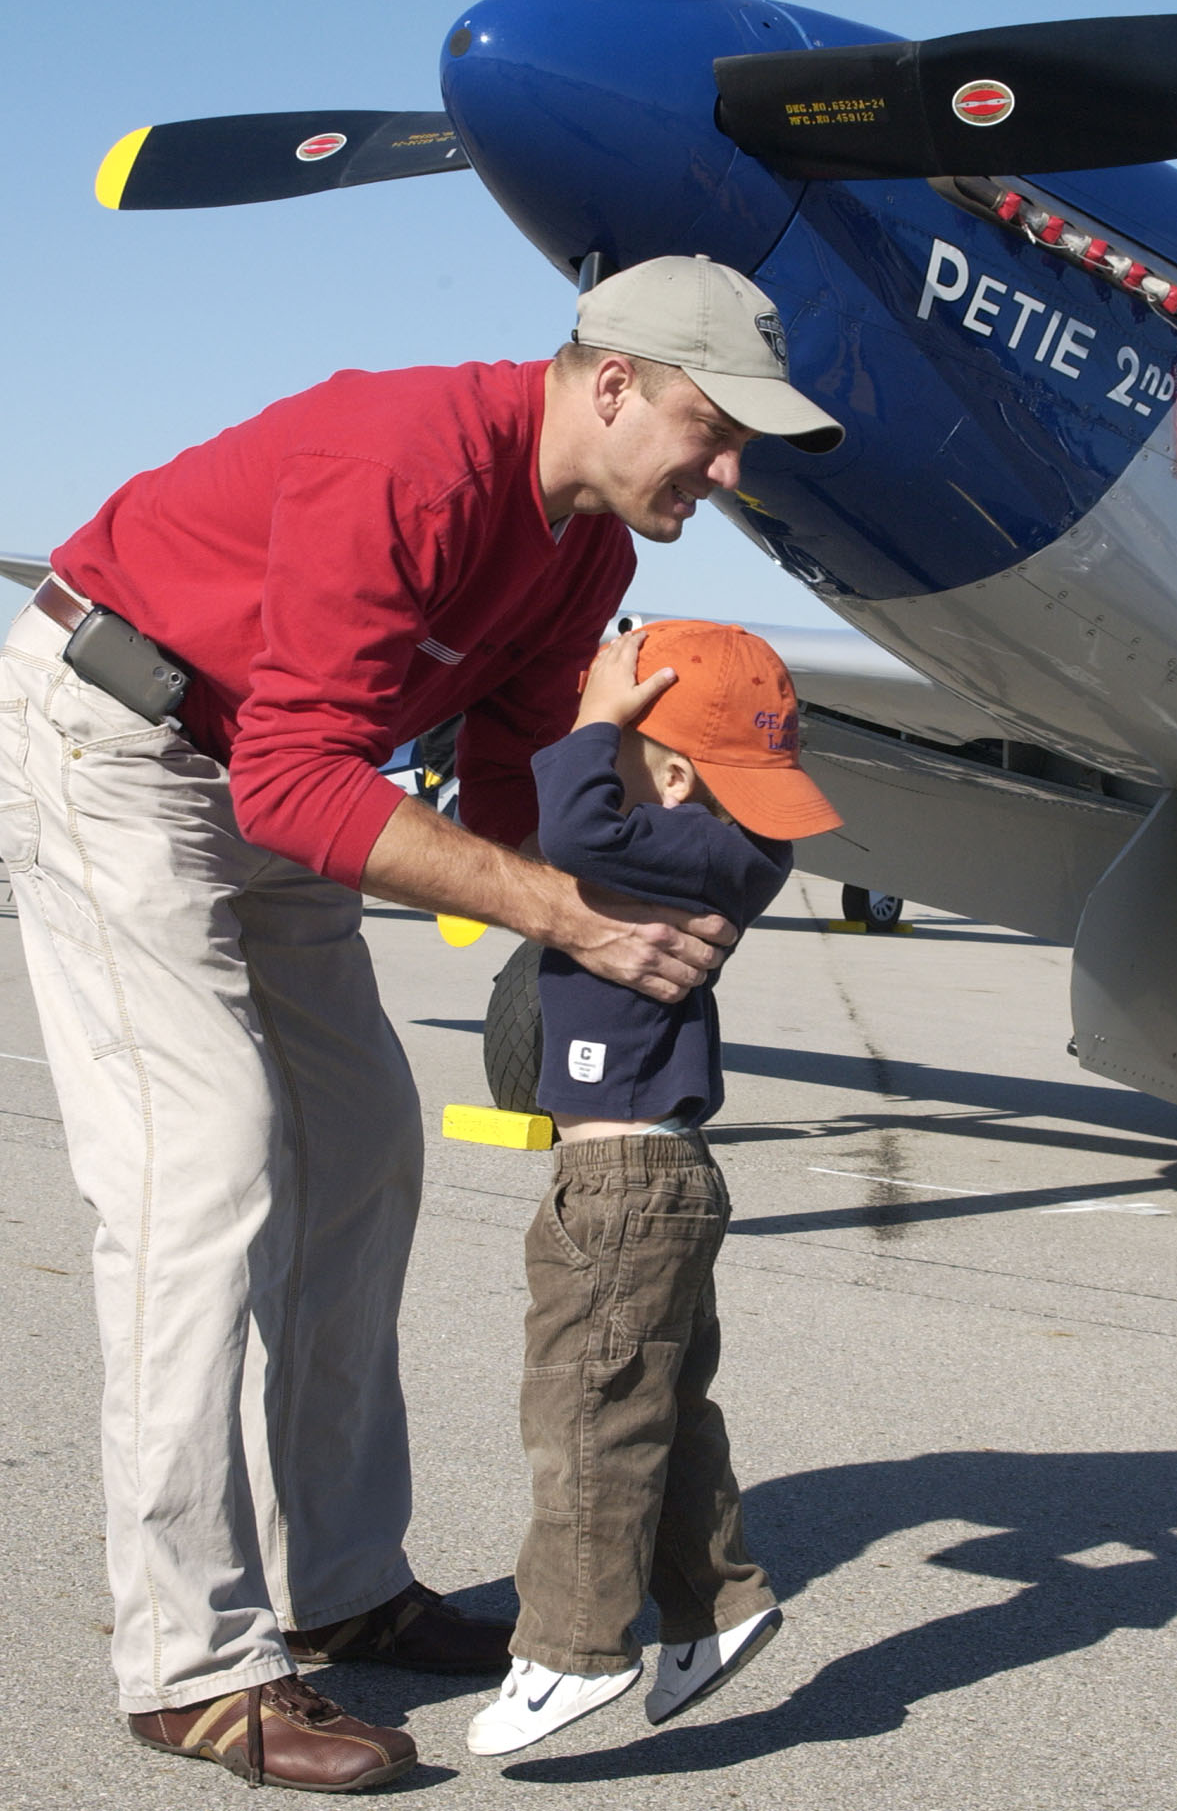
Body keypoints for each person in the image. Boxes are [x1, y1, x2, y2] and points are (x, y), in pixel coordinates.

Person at [0, 256, 842, 1792]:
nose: (728, 476)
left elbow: (522, 799)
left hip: (272, 783)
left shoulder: (583, 559)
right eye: (711, 432)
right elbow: (298, 779)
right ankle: (189, 1665)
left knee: (369, 1150)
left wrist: (655, 904)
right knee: (208, 1174)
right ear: (608, 385)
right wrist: (569, 918)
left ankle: (339, 1583)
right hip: (119, 744)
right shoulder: (402, 461)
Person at [465, 620, 841, 1759]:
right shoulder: (720, 850)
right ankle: (715, 1607)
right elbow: (580, 826)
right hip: (655, 1177)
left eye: (620, 747)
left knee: (584, 1411)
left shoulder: (669, 845)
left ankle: (570, 1651)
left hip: (622, 1184)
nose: (597, 763)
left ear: (673, 774)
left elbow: (569, 823)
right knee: (659, 1409)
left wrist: (592, 720)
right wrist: (607, 727)